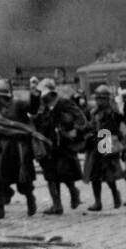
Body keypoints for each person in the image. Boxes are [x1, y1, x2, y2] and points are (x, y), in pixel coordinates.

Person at [0, 79, 40, 218]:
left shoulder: (17, 103)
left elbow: (33, 108)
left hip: (18, 146)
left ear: (1, 95)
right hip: (1, 146)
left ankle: (30, 199)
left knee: (23, 180)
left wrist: (34, 95)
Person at [30, 79, 86, 214]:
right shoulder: (42, 106)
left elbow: (80, 118)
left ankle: (74, 193)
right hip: (48, 144)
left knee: (65, 173)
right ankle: (57, 205)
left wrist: (74, 131)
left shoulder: (63, 102)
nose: (42, 97)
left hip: (63, 144)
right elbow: (38, 120)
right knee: (50, 176)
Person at [83, 85, 125, 211]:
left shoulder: (113, 112)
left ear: (107, 99)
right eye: (98, 99)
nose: (99, 101)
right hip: (95, 142)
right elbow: (90, 125)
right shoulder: (93, 112)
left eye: (102, 99)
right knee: (94, 175)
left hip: (107, 140)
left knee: (108, 174)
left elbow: (116, 127)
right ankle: (98, 202)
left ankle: (115, 195)